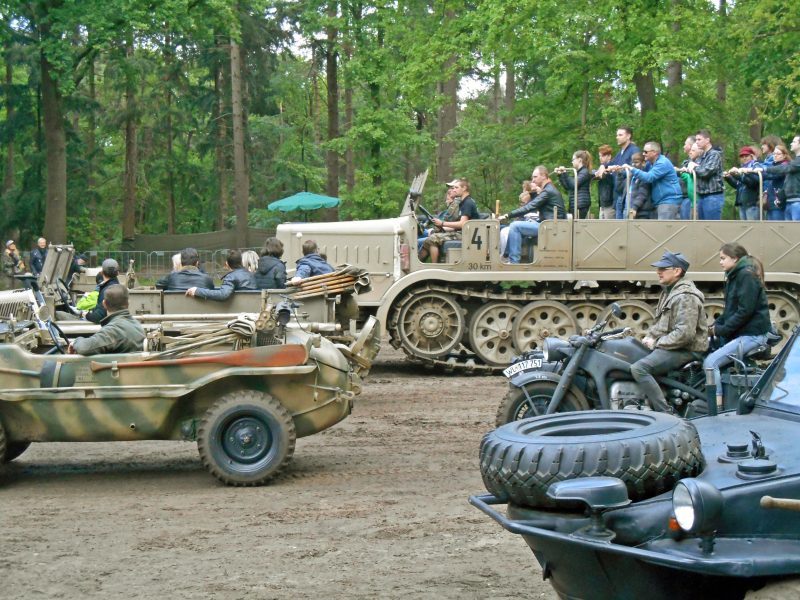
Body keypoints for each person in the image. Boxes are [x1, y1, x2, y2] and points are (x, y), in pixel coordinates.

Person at [630, 251, 708, 412]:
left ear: (677, 271)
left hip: (686, 349)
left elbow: (685, 334)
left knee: (639, 368)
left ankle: (665, 413)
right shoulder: (670, 291)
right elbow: (663, 323)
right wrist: (650, 336)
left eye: (663, 268)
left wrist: (657, 342)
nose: (658, 272)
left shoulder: (686, 296)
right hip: (674, 345)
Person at [703, 242, 770, 409]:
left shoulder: (745, 276)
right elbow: (730, 310)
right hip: (744, 333)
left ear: (735, 258)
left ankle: (716, 408)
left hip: (753, 335)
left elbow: (745, 311)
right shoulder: (735, 275)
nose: (720, 262)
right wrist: (713, 326)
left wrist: (722, 330)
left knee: (711, 363)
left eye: (723, 258)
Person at [499, 166, 567, 264]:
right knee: (520, 224)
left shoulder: (547, 191)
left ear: (543, 176)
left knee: (515, 226)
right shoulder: (548, 190)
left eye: (535, 177)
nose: (533, 180)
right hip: (549, 225)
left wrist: (507, 215)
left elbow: (529, 207)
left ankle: (514, 262)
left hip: (550, 227)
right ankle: (514, 257)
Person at [69, 284, 146, 356]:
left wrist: (75, 342)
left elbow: (84, 348)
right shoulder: (136, 325)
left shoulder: (114, 330)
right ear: (128, 303)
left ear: (104, 304)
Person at [418, 178, 480, 263]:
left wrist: (442, 223)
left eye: (456, 187)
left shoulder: (467, 203)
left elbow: (463, 224)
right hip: (463, 232)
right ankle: (419, 264)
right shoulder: (463, 202)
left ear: (464, 188)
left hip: (467, 235)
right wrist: (442, 226)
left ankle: (434, 267)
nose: (454, 190)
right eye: (453, 188)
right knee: (429, 240)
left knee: (432, 239)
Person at [622, 141, 683, 220]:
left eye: (646, 152)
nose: (643, 154)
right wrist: (618, 169)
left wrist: (630, 168)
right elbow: (640, 169)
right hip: (660, 202)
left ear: (654, 152)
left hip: (668, 201)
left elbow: (648, 177)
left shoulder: (662, 163)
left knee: (665, 230)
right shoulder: (651, 164)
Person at [595, 127, 640, 219]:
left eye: (620, 135)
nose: (617, 137)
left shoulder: (634, 150)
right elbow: (610, 164)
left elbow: (635, 169)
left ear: (628, 136)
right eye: (617, 135)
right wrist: (603, 166)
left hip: (629, 193)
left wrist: (619, 169)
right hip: (619, 194)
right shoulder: (620, 153)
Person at [758, 134, 800, 221]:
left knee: (795, 231)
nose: (791, 144)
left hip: (797, 201)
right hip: (789, 200)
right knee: (786, 232)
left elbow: (785, 168)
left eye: (794, 142)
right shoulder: (795, 161)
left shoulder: (793, 163)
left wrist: (765, 169)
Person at [187, 249, 256, 300]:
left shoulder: (231, 277)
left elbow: (223, 294)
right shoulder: (250, 275)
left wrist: (198, 291)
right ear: (241, 262)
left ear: (227, 264)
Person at [686, 129, 724, 220]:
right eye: (696, 140)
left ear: (707, 140)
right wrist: (691, 165)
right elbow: (689, 164)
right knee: (702, 228)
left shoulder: (714, 154)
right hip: (702, 196)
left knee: (711, 228)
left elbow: (706, 171)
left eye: (699, 139)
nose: (697, 142)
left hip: (713, 196)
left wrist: (694, 167)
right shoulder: (702, 156)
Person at [418, 183, 461, 252]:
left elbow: (455, 226)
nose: (449, 191)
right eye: (450, 189)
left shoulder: (458, 207)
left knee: (418, 242)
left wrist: (435, 230)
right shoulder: (450, 208)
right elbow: (439, 219)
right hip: (440, 231)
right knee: (418, 235)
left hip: (446, 233)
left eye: (453, 188)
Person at [500, 181, 536, 257]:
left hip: (525, 225)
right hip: (519, 222)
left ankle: (506, 254)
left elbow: (524, 217)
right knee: (499, 228)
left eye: (525, 190)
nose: (523, 192)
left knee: (507, 231)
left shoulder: (532, 203)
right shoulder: (525, 202)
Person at [724, 146, 761, 220]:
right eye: (742, 156)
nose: (744, 158)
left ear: (752, 156)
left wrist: (738, 175)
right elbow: (738, 185)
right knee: (743, 229)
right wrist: (729, 178)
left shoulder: (755, 166)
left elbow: (753, 183)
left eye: (746, 156)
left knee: (753, 229)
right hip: (742, 203)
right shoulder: (742, 168)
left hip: (752, 203)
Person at [555, 150, 592, 219]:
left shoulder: (584, 172)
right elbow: (568, 187)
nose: (572, 162)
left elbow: (573, 184)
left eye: (573, 159)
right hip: (575, 204)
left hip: (581, 205)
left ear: (579, 160)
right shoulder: (578, 173)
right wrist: (561, 175)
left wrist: (565, 173)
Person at [83, 258, 121, 324]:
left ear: (102, 272)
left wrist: (86, 315)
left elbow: (98, 316)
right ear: (118, 273)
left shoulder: (107, 291)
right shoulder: (118, 287)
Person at [761, 143, 790, 220]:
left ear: (784, 155)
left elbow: (774, 175)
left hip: (779, 201)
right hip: (771, 201)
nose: (775, 155)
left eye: (778, 153)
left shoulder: (785, 166)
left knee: (778, 227)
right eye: (774, 153)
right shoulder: (773, 166)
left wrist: (760, 172)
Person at [624, 152, 654, 219]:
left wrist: (635, 207)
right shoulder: (631, 177)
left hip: (641, 212)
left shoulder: (644, 177)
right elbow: (620, 189)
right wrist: (619, 174)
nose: (634, 165)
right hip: (629, 209)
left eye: (636, 162)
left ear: (643, 163)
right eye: (632, 163)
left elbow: (642, 194)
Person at [594, 144, 615, 219]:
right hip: (603, 203)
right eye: (599, 156)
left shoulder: (613, 167)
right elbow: (594, 173)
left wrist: (605, 172)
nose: (600, 158)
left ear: (609, 156)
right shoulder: (601, 167)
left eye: (602, 156)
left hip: (610, 203)